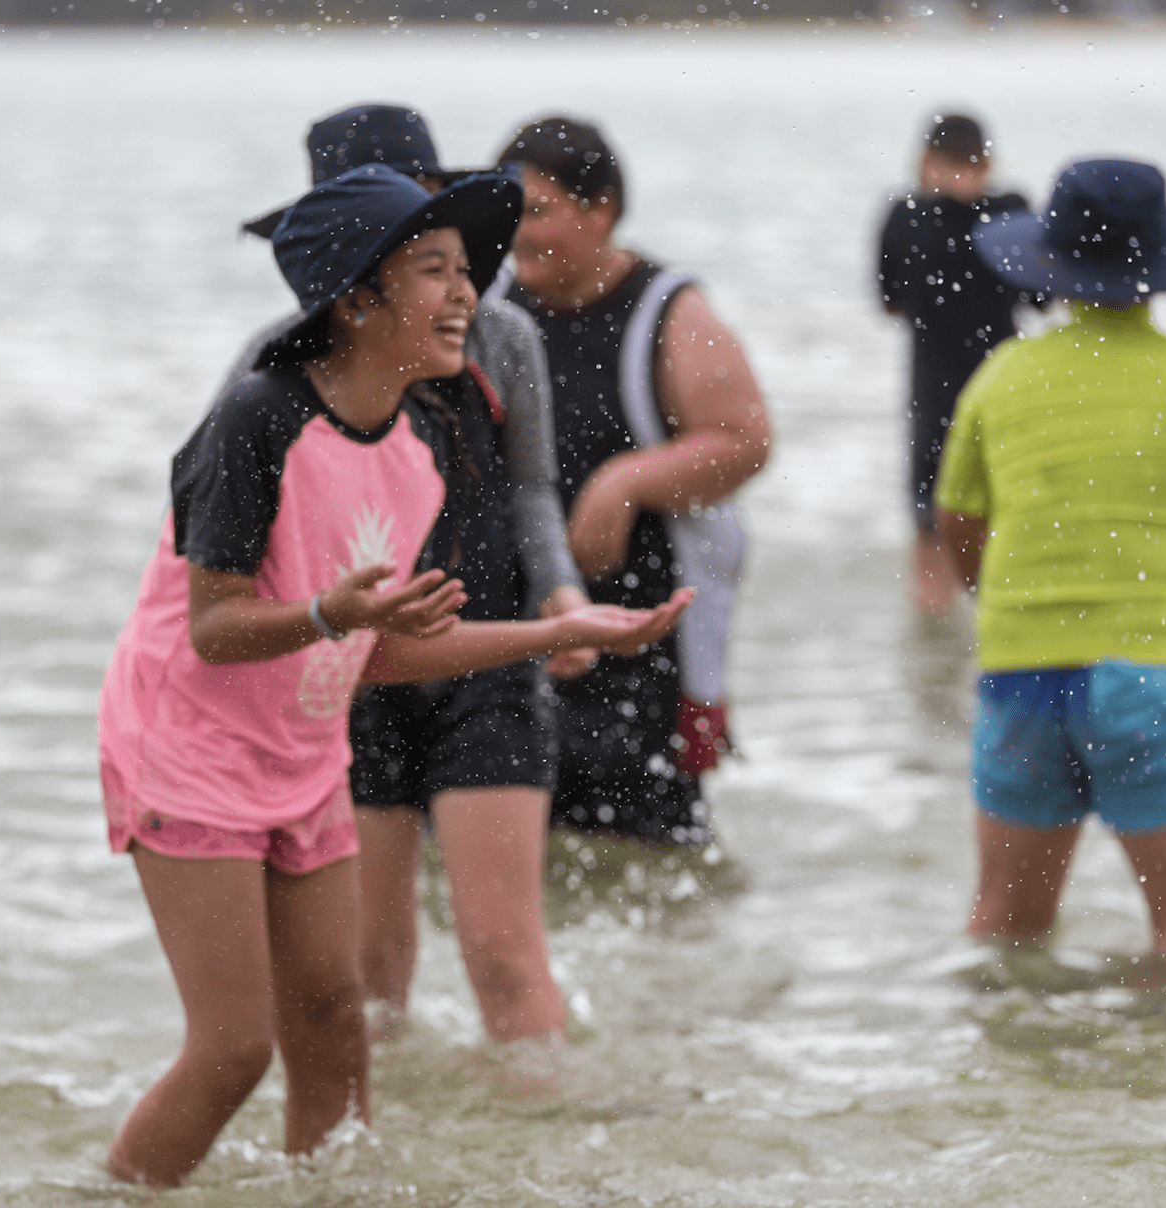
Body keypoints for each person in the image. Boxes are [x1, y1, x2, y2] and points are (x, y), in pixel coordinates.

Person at [97, 163, 691, 1186]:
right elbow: (213, 628)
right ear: (357, 296)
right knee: (235, 1047)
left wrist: (554, 630)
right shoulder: (256, 418)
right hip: (186, 749)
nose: (466, 295)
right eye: (432, 271)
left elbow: (377, 653)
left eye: (466, 272)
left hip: (301, 748)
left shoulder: (418, 446)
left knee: (337, 1022)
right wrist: (337, 610)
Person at [235, 104, 588, 1043]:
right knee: (369, 970)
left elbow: (531, 491)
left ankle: (551, 1159)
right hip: (349, 680)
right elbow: (232, 549)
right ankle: (375, 1165)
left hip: (486, 666)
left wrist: (562, 594)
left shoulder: (501, 339)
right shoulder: (275, 366)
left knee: (504, 956)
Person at [936, 158, 1166, 975]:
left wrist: (1004, 594)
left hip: (1019, 676)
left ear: (1052, 262)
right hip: (1144, 677)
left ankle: (1002, 1081)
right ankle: (1162, 1091)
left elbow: (958, 521)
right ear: (1161, 263)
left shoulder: (1003, 372)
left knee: (1004, 929)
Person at [494, 115, 772, 844]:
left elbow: (746, 442)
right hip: (513, 634)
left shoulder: (668, 310)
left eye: (537, 211)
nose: (517, 232)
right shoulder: (485, 308)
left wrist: (628, 480)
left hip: (643, 640)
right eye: (506, 212)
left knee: (655, 857)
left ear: (601, 210)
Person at [878, 113, 1043, 617]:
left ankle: (984, 635)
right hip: (940, 393)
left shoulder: (1009, 212)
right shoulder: (908, 215)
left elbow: (1040, 293)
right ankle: (936, 646)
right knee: (930, 523)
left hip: (999, 392)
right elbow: (888, 299)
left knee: (1004, 518)